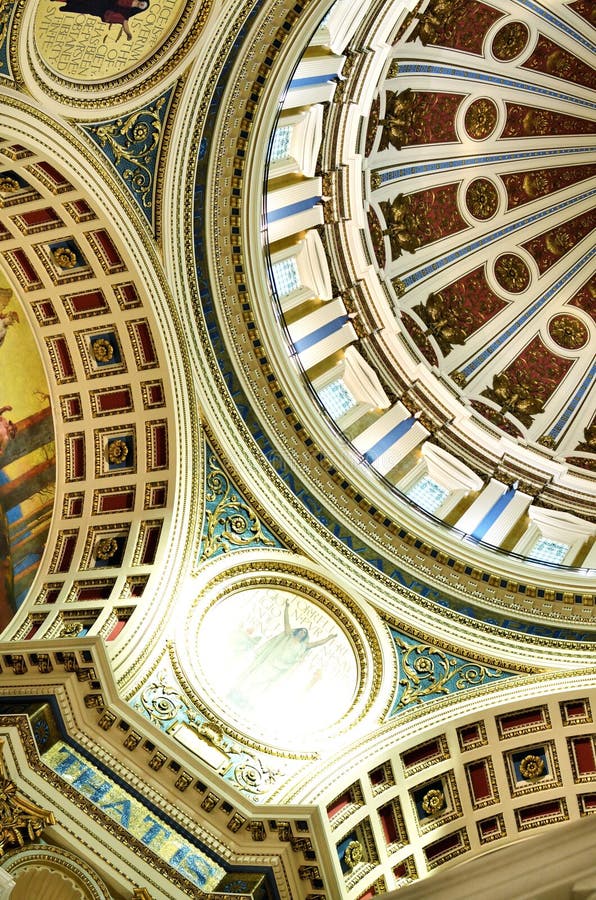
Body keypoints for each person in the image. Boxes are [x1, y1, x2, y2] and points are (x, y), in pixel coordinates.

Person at [51, 0, 149, 41]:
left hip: (100, 8)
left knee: (81, 4)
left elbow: (125, 23)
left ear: (140, 9)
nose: (139, 4)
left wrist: (128, 34)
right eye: (141, 2)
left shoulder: (127, 12)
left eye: (142, 6)